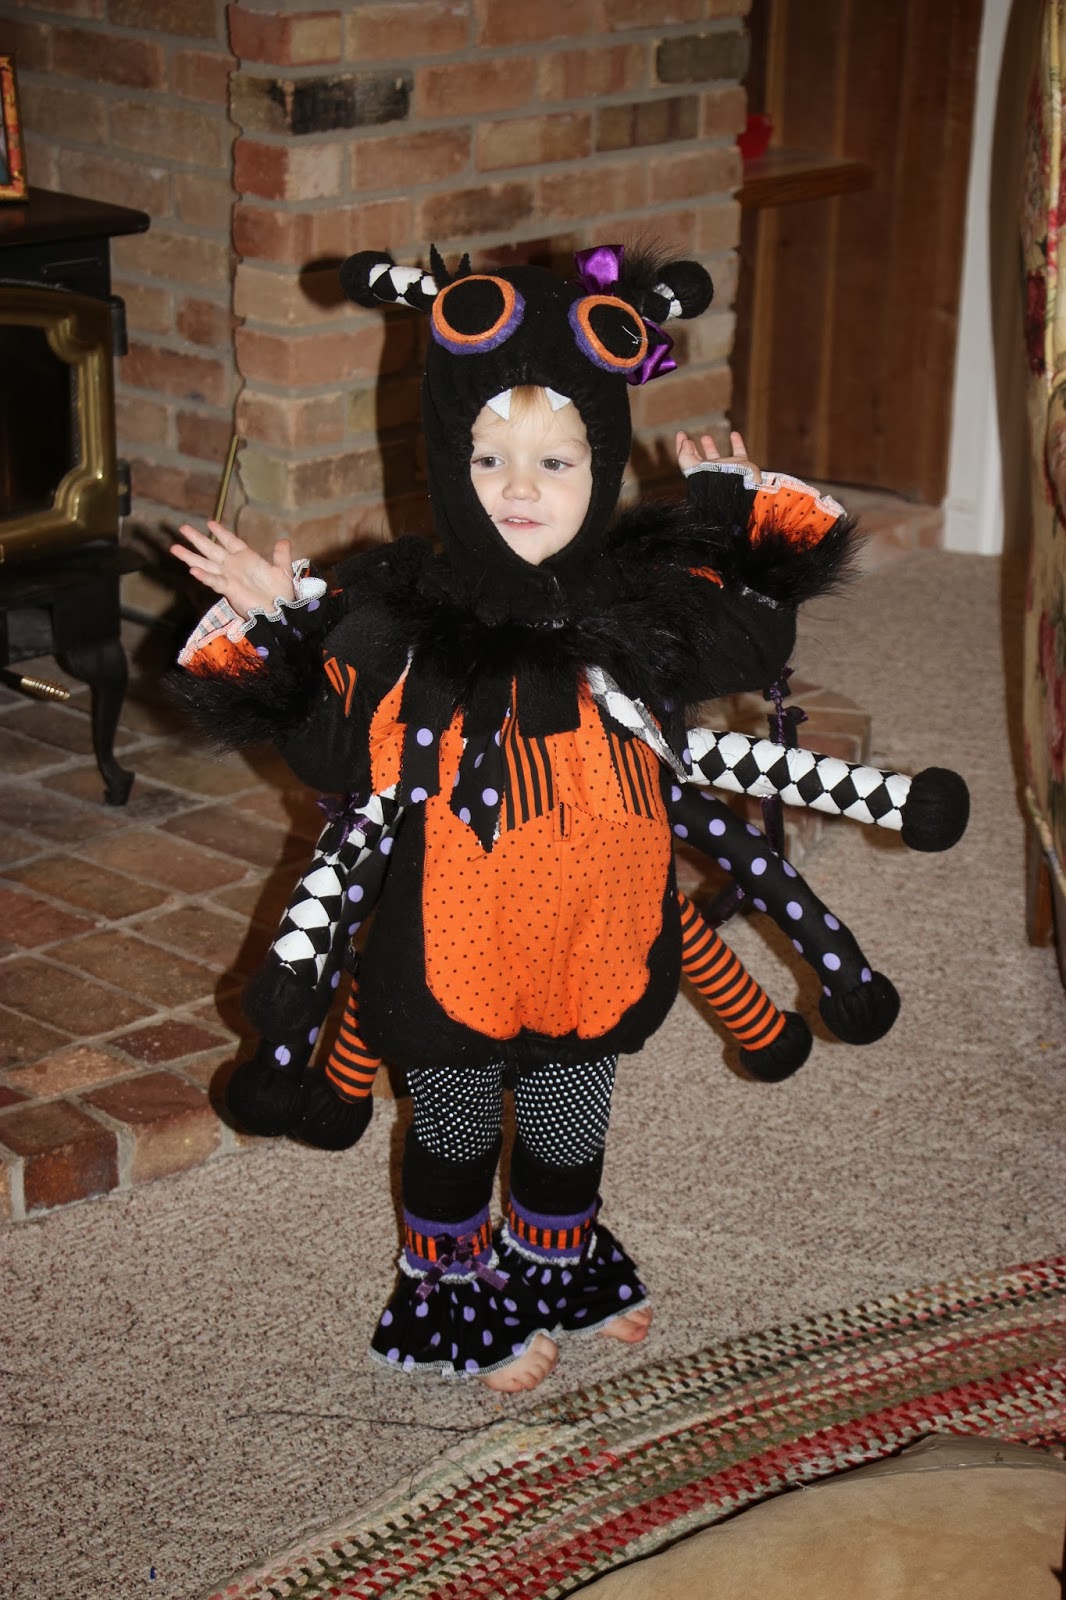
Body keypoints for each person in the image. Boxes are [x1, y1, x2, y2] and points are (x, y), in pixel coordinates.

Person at [170, 245, 883, 1392]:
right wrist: (281, 637)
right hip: (452, 942)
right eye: (488, 455)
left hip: (595, 931)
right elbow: (328, 745)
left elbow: (746, 643)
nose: (519, 485)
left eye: (555, 458)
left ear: (600, 462)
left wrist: (751, 539)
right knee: (453, 1125)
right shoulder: (395, 617)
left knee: (569, 1111)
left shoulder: (642, 604)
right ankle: (447, 1287)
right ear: (446, 461)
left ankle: (557, 1256)